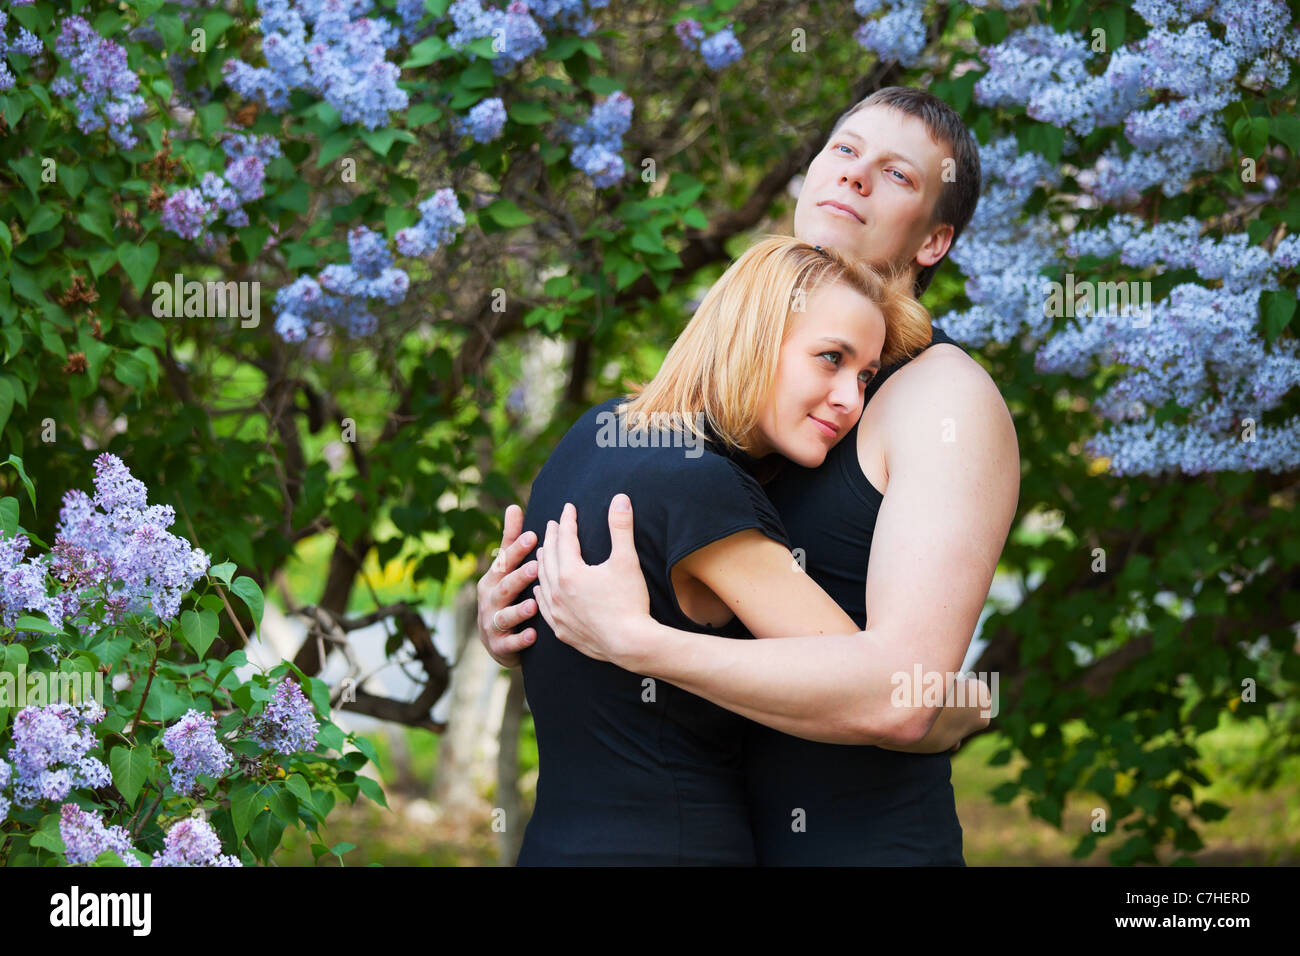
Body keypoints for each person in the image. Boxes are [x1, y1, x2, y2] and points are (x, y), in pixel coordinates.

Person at [481, 86, 1021, 865]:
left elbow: (902, 698)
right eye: (844, 149)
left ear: (935, 241)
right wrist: (525, 618)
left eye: (898, 174)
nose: (857, 177)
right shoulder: (752, 401)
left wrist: (636, 642)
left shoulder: (943, 396)